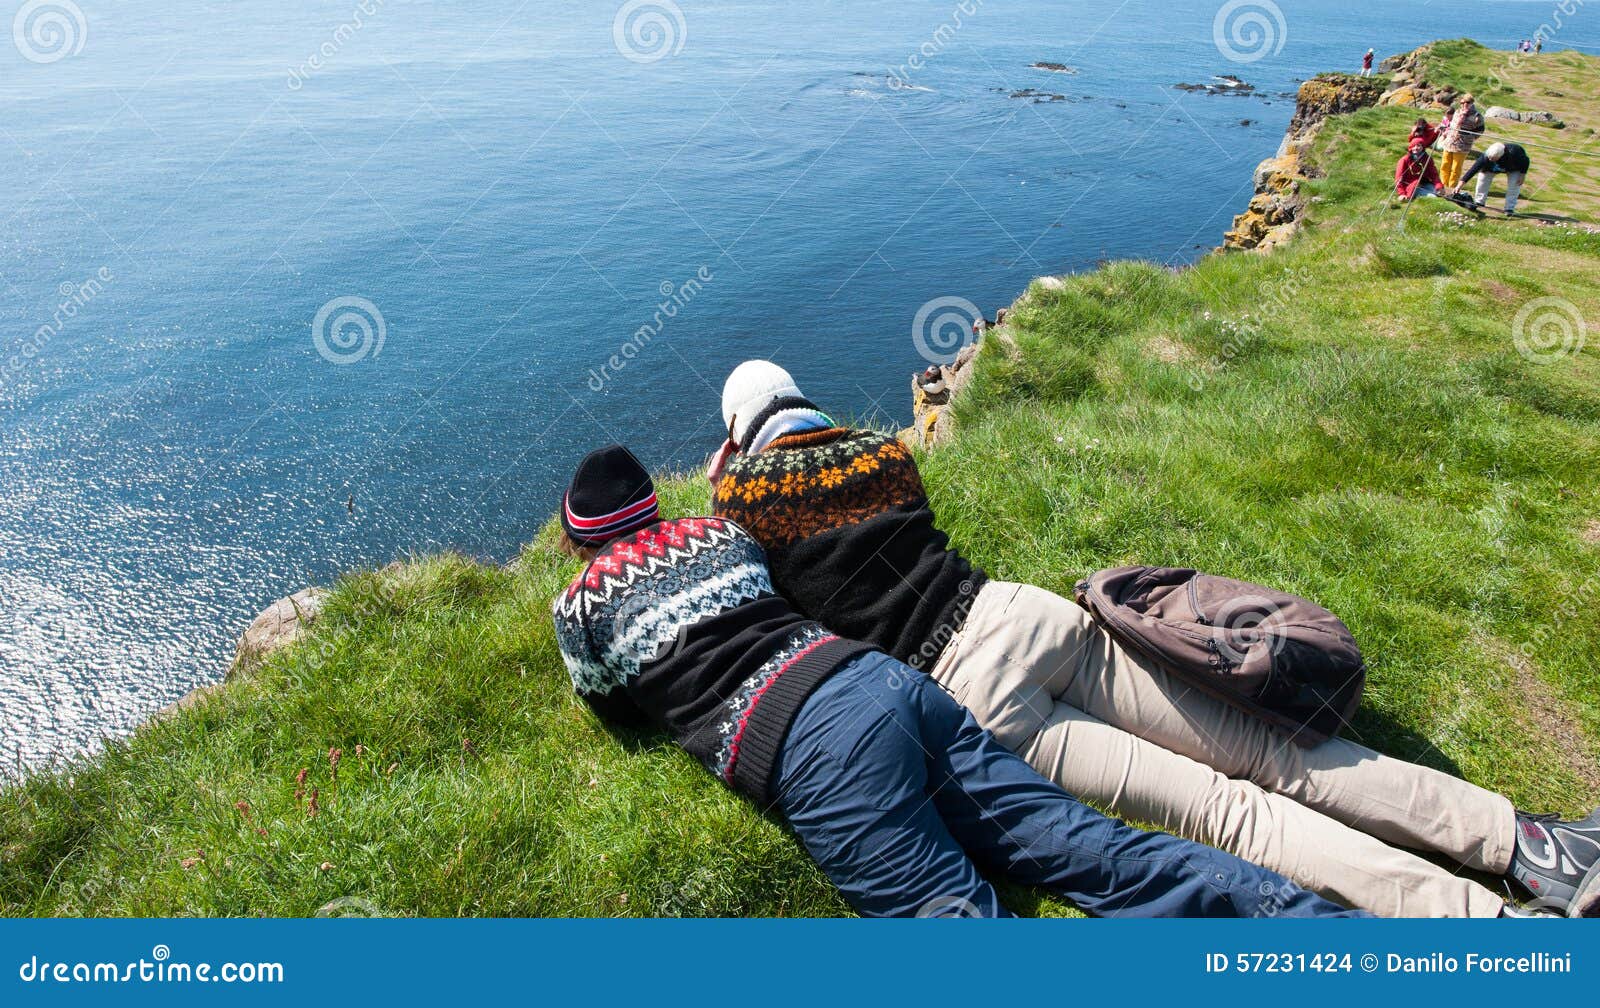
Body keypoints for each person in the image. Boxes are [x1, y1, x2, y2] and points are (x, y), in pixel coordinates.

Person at [708, 359, 1600, 919]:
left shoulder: (740, 500)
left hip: (972, 687)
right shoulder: (881, 452)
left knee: (1226, 812)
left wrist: (725, 474)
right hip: (1027, 614)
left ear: (738, 437)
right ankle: (1530, 845)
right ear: (804, 403)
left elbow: (759, 567)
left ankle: (1485, 930)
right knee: (1279, 754)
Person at [549, 444, 1362, 919]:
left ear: (579, 540)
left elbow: (612, 703)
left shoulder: (581, 604)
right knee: (1091, 847)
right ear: (656, 507)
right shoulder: (717, 534)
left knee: (950, 920)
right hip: (881, 683)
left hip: (805, 744)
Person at [1456, 140, 1531, 214]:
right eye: (1489, 158)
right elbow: (1473, 170)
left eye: (1493, 158)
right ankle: (1479, 201)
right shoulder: (1486, 157)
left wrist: (1522, 175)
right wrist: (1460, 185)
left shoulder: (1515, 153)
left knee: (1514, 185)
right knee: (1482, 178)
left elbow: (1526, 161)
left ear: (1501, 155)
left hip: (1513, 168)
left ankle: (1509, 208)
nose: (1490, 160)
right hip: (1491, 168)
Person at [1439, 95, 1484, 190]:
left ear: (1472, 103)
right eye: (1462, 103)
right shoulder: (1457, 112)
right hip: (1450, 142)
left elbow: (1480, 130)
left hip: (1462, 145)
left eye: (1467, 103)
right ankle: (1443, 184)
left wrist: (1470, 138)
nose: (1464, 105)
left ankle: (1451, 186)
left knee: (1456, 167)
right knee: (1445, 164)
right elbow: (1452, 125)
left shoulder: (1476, 116)